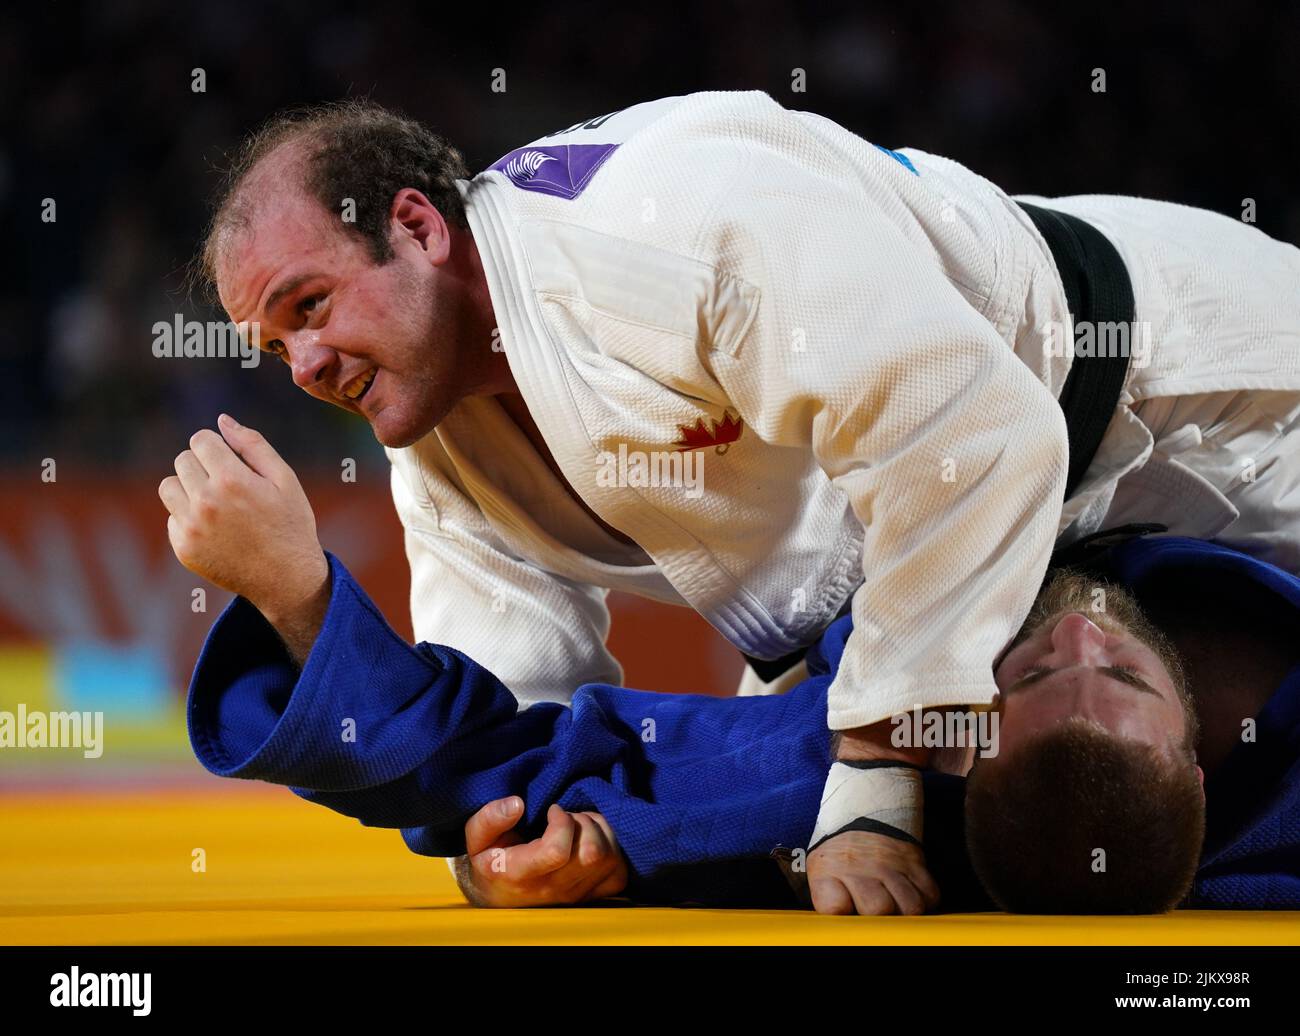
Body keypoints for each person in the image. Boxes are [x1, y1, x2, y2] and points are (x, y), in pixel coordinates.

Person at [185, 90, 1300, 913]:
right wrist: (518, 846)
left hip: (1198, 396)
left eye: (311, 304)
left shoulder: (673, 225)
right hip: (918, 562)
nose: (306, 363)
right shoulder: (444, 447)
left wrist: (873, 780)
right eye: (274, 344)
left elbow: (975, 437)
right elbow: (518, 726)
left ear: (419, 228)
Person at [173, 425, 1297, 911]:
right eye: (1124, 676)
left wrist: (297, 599)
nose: (1082, 637)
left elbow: (512, 765)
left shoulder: (867, 769)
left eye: (1032, 677)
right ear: (1192, 774)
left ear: (956, 742)